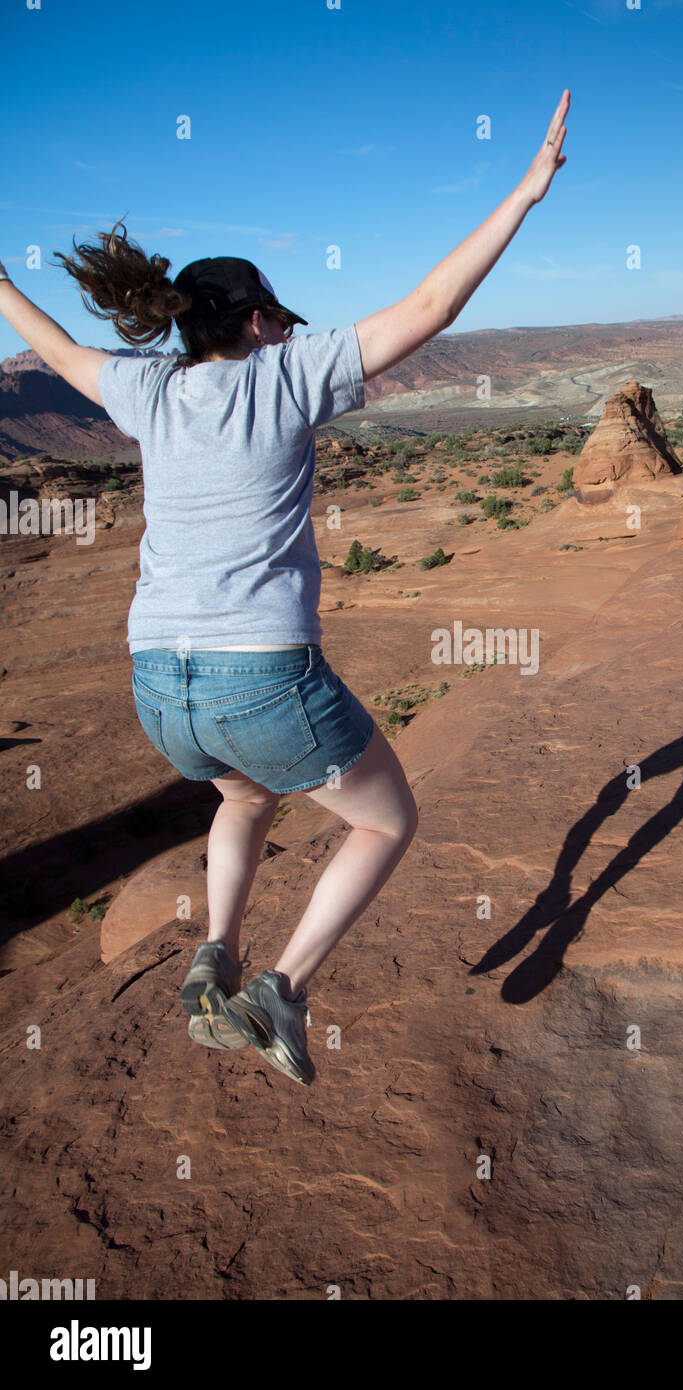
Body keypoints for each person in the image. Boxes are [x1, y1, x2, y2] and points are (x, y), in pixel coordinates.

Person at [0, 91, 570, 1085]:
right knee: (385, 819)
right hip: (256, 670)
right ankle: (282, 990)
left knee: (246, 795)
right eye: (276, 316)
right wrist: (525, 193)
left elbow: (57, 351)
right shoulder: (288, 372)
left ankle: (212, 954)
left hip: (157, 684)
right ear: (259, 319)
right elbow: (433, 306)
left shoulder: (148, 385)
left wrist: (1, 285)